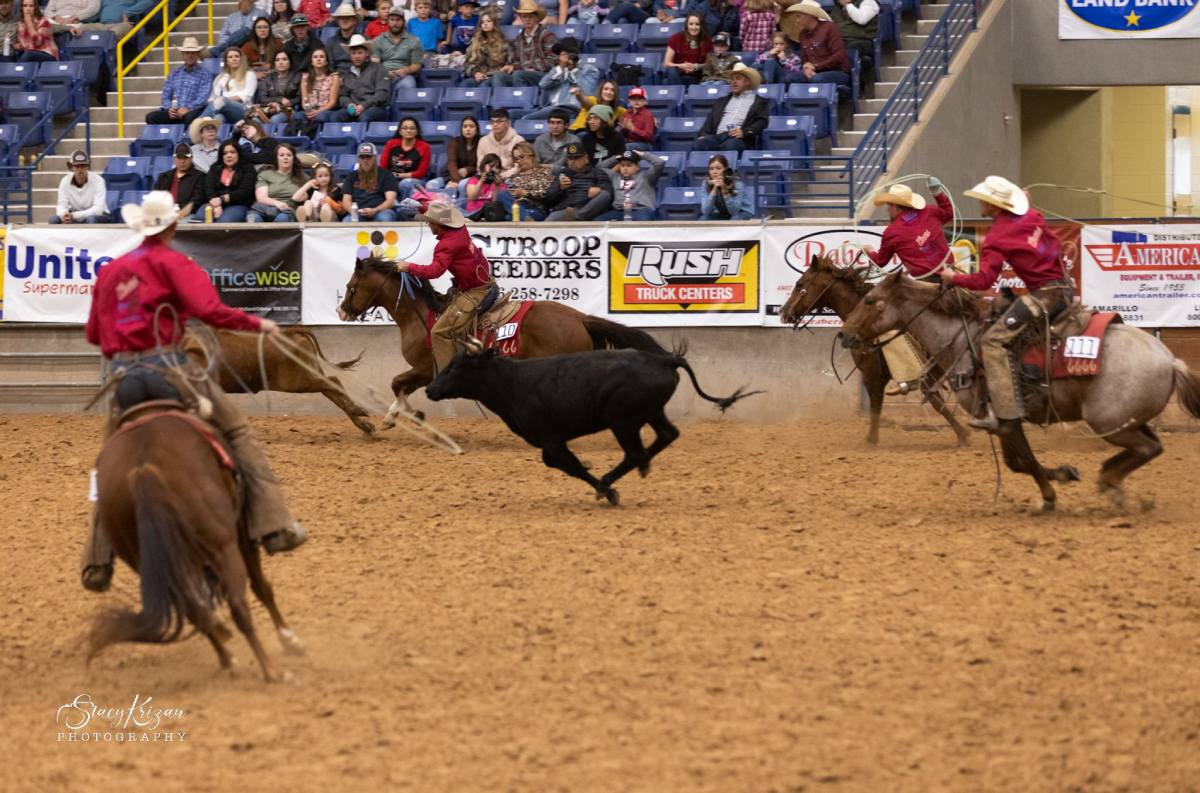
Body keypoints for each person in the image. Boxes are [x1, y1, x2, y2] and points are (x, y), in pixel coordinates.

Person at [79, 190, 305, 592]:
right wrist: (260, 326)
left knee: (108, 460)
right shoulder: (176, 264)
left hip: (124, 380)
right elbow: (211, 312)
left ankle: (97, 560)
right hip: (170, 369)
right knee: (237, 432)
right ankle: (274, 525)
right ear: (174, 225)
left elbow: (95, 333)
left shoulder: (112, 271)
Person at [940, 176, 1072, 433]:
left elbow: (984, 280)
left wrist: (952, 277)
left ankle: (1003, 412)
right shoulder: (1032, 216)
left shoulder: (997, 236)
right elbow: (1030, 211)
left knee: (992, 341)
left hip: (1045, 297)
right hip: (1064, 288)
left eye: (984, 200)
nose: (980, 203)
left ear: (995, 205)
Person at [864, 180, 953, 395]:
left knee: (887, 321)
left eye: (889, 206)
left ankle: (909, 376)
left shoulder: (892, 231)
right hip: (952, 278)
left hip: (923, 286)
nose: (888, 209)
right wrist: (937, 192)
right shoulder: (930, 213)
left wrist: (868, 252)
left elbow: (882, 261)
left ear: (895, 207)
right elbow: (948, 213)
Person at [391, 202, 493, 374]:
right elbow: (443, 212)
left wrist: (408, 266)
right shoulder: (459, 229)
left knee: (439, 333)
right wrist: (422, 207)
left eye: (430, 221)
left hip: (475, 291)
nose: (428, 224)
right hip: (481, 282)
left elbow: (434, 271)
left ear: (439, 224)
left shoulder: (447, 244)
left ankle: (449, 377)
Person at [762, 0, 849, 90]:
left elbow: (839, 55)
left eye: (799, 16)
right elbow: (805, 59)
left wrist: (815, 66)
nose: (796, 20)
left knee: (816, 79)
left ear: (809, 16)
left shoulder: (830, 28)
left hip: (837, 72)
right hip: (814, 71)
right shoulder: (802, 34)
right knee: (788, 79)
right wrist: (806, 68)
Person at [693, 62, 768, 152]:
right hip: (718, 136)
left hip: (739, 139)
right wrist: (703, 135)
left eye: (738, 78)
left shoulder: (759, 102)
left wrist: (744, 132)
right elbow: (710, 121)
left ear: (747, 82)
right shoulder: (721, 101)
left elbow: (761, 122)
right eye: (732, 79)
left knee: (731, 145)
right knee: (698, 144)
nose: (734, 82)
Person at [146, 37, 212, 125]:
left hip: (191, 112)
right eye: (187, 53)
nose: (190, 55)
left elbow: (203, 97)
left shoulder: (205, 74)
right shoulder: (173, 74)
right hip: (174, 112)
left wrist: (188, 108)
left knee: (191, 117)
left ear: (197, 55)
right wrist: (170, 109)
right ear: (182, 55)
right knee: (151, 117)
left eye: (193, 53)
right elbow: (165, 95)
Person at [528, 38, 597, 120]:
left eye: (570, 54)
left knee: (527, 120)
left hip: (573, 108)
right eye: (564, 54)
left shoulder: (590, 70)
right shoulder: (558, 69)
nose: (567, 58)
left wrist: (574, 71)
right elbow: (543, 85)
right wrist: (561, 69)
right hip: (553, 108)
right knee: (514, 114)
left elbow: (587, 92)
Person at [492, 0, 555, 88]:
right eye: (524, 17)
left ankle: (519, 101)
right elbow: (517, 60)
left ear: (537, 18)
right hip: (522, 73)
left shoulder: (547, 35)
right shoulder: (519, 39)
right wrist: (512, 66)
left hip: (542, 74)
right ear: (521, 18)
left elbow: (552, 59)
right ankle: (503, 101)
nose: (527, 19)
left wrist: (534, 68)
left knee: (519, 75)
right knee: (499, 76)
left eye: (530, 16)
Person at [544, 142, 611, 221]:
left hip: (587, 207)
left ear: (585, 158)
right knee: (551, 220)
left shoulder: (597, 172)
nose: (573, 161)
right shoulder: (562, 174)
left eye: (577, 158)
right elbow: (548, 199)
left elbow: (609, 191)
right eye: (570, 158)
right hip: (566, 209)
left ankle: (577, 217)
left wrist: (600, 189)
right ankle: (531, 228)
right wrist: (560, 188)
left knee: (605, 194)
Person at [196, 140, 257, 222]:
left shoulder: (248, 168)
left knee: (224, 221)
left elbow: (245, 191)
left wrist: (222, 199)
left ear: (239, 154)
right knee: (201, 217)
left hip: (238, 204)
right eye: (225, 153)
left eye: (232, 152)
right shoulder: (214, 168)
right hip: (215, 202)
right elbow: (208, 188)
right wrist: (216, 204)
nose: (229, 155)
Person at [596, 150, 664, 221]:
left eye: (629, 165)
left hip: (641, 210)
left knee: (643, 219)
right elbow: (599, 168)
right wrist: (616, 158)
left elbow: (660, 163)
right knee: (597, 221)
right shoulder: (615, 176)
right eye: (622, 165)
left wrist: (643, 155)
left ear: (637, 166)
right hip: (619, 211)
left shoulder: (646, 176)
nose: (625, 168)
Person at [335, 34, 389, 122]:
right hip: (354, 108)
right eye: (353, 53)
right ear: (350, 55)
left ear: (367, 53)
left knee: (364, 117)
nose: (357, 56)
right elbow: (343, 96)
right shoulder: (348, 73)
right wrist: (349, 104)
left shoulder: (379, 68)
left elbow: (382, 94)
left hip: (374, 107)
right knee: (336, 117)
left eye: (360, 53)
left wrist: (364, 105)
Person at [342, 142, 400, 221]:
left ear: (375, 157)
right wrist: (354, 212)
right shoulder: (351, 176)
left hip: (381, 210)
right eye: (362, 157)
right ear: (358, 159)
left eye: (369, 157)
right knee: (348, 221)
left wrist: (375, 210)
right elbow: (346, 200)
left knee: (384, 217)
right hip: (359, 211)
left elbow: (391, 200)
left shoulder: (387, 175)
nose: (365, 160)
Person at [248, 143, 305, 221]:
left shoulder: (302, 177)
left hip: (286, 210)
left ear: (293, 158)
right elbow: (261, 198)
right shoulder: (265, 174)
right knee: (253, 219)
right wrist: (277, 203)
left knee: (282, 219)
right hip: (262, 209)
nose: (285, 158)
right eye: (281, 155)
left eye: (289, 155)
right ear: (276, 158)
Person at [50, 150, 109, 224]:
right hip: (76, 216)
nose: (80, 170)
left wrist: (74, 215)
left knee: (91, 219)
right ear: (71, 167)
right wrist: (64, 215)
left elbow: (98, 210)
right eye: (77, 166)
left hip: (98, 216)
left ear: (87, 166)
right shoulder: (65, 181)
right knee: (54, 220)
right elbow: (61, 205)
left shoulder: (98, 180)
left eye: (83, 166)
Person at [201, 48, 258, 123]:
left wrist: (225, 100)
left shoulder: (249, 74)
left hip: (244, 110)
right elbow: (213, 97)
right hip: (223, 108)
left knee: (221, 101)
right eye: (230, 57)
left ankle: (197, 123)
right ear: (227, 61)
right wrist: (219, 101)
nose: (234, 59)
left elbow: (245, 97)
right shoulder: (221, 77)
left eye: (237, 56)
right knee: (218, 117)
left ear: (241, 59)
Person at [380, 116, 432, 198]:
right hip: (391, 178)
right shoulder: (391, 144)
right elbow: (383, 167)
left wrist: (398, 175)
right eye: (405, 128)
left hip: (415, 180)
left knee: (405, 183)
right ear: (400, 131)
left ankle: (405, 208)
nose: (409, 130)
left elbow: (421, 173)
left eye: (412, 128)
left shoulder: (424, 147)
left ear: (417, 131)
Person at [498, 141, 552, 220]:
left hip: (536, 209)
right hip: (517, 207)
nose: (519, 161)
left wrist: (526, 193)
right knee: (502, 195)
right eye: (516, 159)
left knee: (509, 217)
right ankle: (525, 217)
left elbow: (546, 194)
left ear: (531, 156)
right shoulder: (514, 177)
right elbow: (507, 198)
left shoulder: (544, 172)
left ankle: (524, 217)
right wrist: (514, 195)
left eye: (521, 157)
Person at [373, 8, 423, 88]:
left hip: (404, 76)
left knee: (408, 85)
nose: (395, 23)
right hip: (384, 75)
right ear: (387, 21)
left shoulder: (414, 40)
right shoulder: (378, 40)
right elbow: (375, 63)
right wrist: (385, 73)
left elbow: (416, 65)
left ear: (404, 21)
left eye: (398, 20)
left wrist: (406, 70)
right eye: (392, 20)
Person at [829, 0, 877, 82]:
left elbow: (861, 19)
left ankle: (854, 81)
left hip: (861, 41)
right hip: (841, 42)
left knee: (849, 49)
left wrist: (848, 5)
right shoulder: (836, 9)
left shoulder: (869, 2)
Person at [296, 46, 342, 132]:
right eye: (315, 57)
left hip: (326, 110)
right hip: (310, 110)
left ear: (326, 61)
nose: (318, 59)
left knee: (321, 116)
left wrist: (318, 111)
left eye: (321, 57)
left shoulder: (334, 77)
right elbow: (304, 101)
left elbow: (332, 102)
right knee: (298, 116)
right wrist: (309, 111)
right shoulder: (305, 78)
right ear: (311, 62)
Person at [427, 116, 479, 191]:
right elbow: (452, 163)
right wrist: (456, 180)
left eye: (471, 126)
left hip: (472, 176)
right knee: (431, 185)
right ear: (461, 129)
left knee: (461, 185)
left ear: (477, 129)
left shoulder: (481, 142)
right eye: (465, 127)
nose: (468, 129)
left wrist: (468, 169)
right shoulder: (454, 142)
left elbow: (481, 164)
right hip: (452, 175)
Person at [152, 143, 206, 210]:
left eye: (185, 158)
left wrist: (177, 208)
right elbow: (155, 197)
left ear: (191, 158)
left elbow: (197, 201)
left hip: (187, 214)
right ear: (174, 159)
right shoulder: (164, 177)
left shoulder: (200, 177)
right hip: (165, 213)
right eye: (179, 158)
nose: (182, 161)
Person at [476, 108, 525, 179]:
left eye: (499, 121)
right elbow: (480, 166)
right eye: (492, 121)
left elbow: (519, 166)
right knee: (463, 184)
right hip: (488, 177)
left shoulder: (518, 140)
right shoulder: (483, 141)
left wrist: (502, 176)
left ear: (508, 123)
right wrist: (488, 176)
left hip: (511, 177)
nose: (495, 124)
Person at [254, 49, 300, 124]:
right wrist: (279, 100)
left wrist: (288, 102)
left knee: (275, 119)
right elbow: (262, 99)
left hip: (288, 110)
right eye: (277, 60)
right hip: (270, 109)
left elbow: (299, 98)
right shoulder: (268, 78)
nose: (281, 62)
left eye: (284, 59)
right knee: (255, 121)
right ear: (274, 63)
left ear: (290, 62)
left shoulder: (297, 77)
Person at [663, 13, 711, 86]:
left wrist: (696, 66)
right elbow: (666, 63)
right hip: (678, 74)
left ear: (702, 26)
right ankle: (678, 94)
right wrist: (680, 65)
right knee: (671, 70)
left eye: (697, 24)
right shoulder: (676, 38)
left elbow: (710, 64)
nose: (694, 27)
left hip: (696, 75)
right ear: (686, 25)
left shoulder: (707, 41)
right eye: (691, 24)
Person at [462, 11, 508, 86]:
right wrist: (475, 73)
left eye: (488, 21)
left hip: (495, 75)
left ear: (495, 24)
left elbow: (509, 62)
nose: (485, 24)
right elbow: (468, 63)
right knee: (465, 84)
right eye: (482, 22)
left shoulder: (504, 43)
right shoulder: (475, 42)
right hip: (479, 76)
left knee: (485, 85)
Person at [700, 154, 752, 219]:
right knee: (704, 218)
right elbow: (705, 211)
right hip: (723, 212)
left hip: (742, 212)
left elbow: (734, 212)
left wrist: (725, 191)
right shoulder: (706, 183)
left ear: (726, 170)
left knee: (735, 218)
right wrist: (714, 189)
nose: (714, 172)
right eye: (711, 169)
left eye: (718, 168)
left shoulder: (737, 183)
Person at [327, 2, 362, 72]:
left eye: (348, 17)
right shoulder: (331, 42)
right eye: (341, 17)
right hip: (337, 77)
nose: (344, 20)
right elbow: (330, 66)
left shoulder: (363, 40)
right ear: (338, 21)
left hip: (359, 76)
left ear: (354, 21)